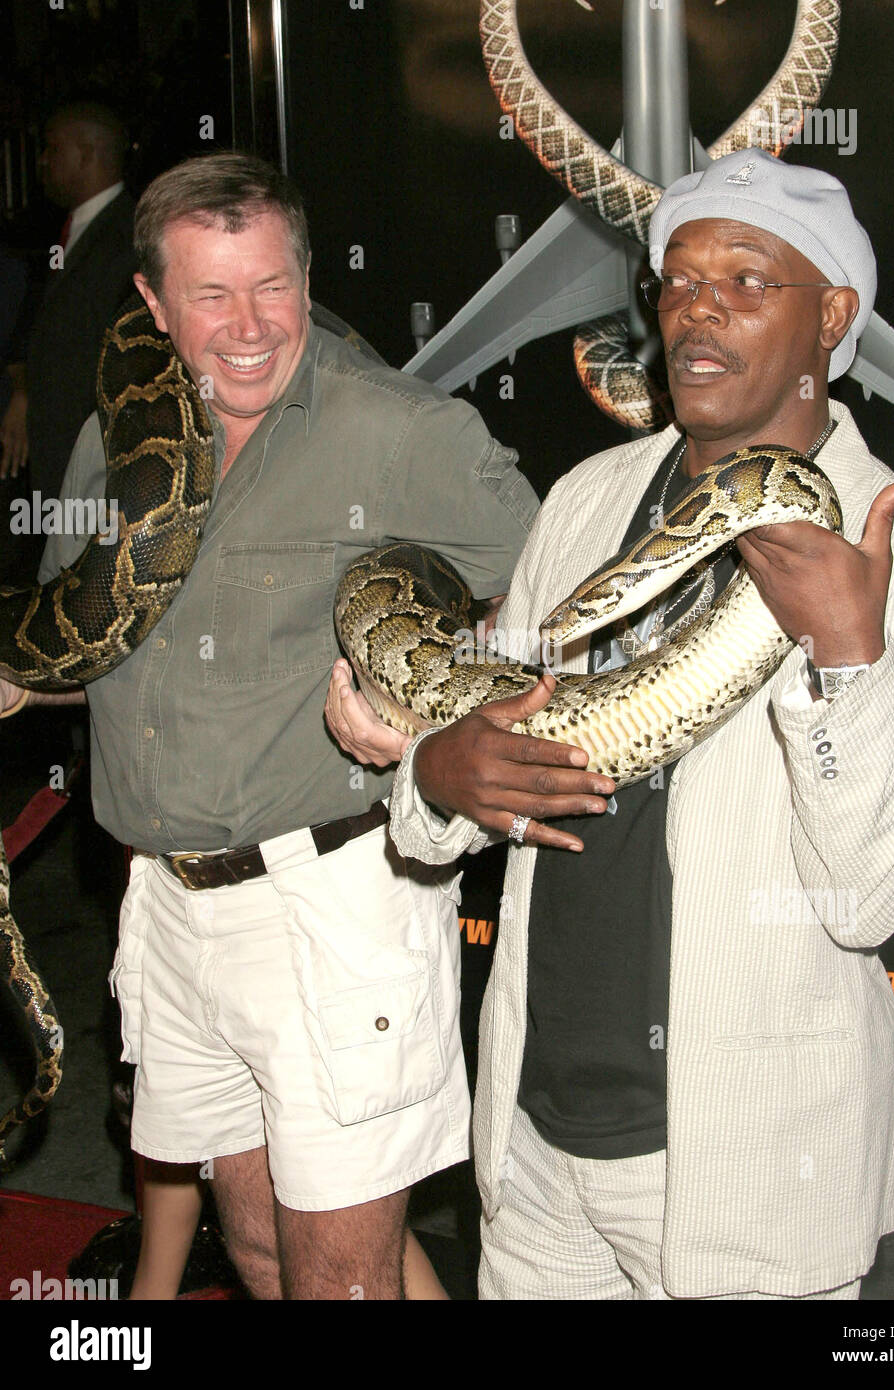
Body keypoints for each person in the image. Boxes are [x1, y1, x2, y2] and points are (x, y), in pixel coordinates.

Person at [327, 150, 894, 1299]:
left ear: (833, 317)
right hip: (536, 1148)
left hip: (745, 1170)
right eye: (678, 281)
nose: (697, 308)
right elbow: (450, 810)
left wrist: (844, 657)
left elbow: (874, 896)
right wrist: (436, 774)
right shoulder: (584, 501)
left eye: (746, 280)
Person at [0, 152, 537, 1299]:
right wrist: (16, 680)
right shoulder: (114, 445)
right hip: (170, 902)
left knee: (338, 1278)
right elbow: (89, 647)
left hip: (330, 906)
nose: (249, 328)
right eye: (210, 295)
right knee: (254, 1252)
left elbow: (547, 603)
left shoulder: (399, 430)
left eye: (274, 287)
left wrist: (428, 694)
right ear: (149, 304)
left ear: (306, 275)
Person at [1, 102, 136, 504]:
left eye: (53, 148)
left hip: (93, 471)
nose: (43, 160)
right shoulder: (72, 230)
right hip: (58, 464)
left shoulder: (127, 237)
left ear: (88, 152)